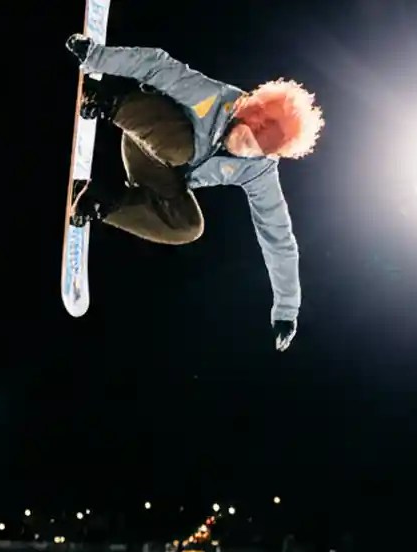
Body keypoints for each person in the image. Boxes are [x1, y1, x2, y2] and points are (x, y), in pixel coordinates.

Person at [65, 34, 323, 352]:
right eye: (245, 139)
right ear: (246, 115)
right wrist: (96, 57)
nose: (242, 151)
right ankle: (107, 102)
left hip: (156, 173)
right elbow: (157, 65)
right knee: (182, 150)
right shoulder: (215, 98)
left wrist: (286, 310)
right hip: (145, 130)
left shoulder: (259, 171)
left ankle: (100, 201)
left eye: (254, 152)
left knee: (188, 227)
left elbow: (278, 236)